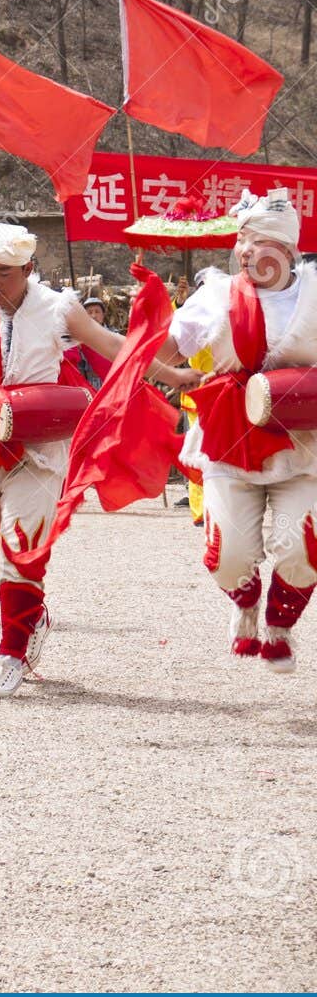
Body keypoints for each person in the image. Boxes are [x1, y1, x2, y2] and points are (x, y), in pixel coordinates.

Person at [0, 220, 197, 699]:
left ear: (28, 269)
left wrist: (169, 375)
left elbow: (113, 346)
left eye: (4, 273)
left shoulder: (58, 307)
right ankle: (33, 615)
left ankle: (10, 655)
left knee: (22, 544)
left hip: (42, 446)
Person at [156, 188, 317, 673]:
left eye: (260, 240)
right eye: (243, 240)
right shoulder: (218, 295)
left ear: (288, 249)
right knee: (230, 556)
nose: (247, 250)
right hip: (231, 440)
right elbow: (165, 350)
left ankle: (280, 624)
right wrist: (158, 363)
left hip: (303, 446)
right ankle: (244, 601)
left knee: (299, 549)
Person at [65, 295, 114, 387]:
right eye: (89, 312)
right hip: (89, 384)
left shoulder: (114, 336)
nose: (94, 315)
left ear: (103, 314)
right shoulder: (78, 339)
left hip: (111, 383)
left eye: (97, 312)